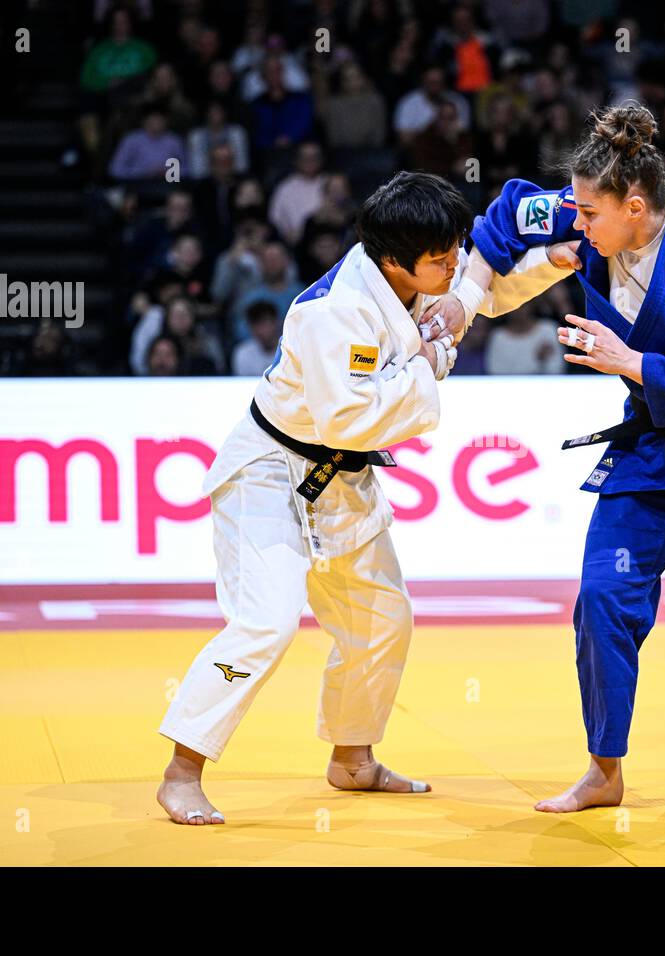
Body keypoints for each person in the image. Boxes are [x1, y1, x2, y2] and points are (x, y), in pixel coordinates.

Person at [423, 103, 665, 811]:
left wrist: (629, 359)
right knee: (602, 595)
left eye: (590, 216)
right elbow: (508, 214)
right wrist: (465, 297)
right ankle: (605, 768)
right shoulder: (589, 208)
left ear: (636, 208)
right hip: (654, 443)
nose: (578, 222)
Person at [156, 172, 536, 824]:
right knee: (265, 623)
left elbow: (473, 291)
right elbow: (348, 421)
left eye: (455, 251)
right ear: (396, 260)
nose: (453, 265)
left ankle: (351, 758)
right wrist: (425, 362)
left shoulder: (411, 275)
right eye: (440, 258)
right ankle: (182, 771)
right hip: (270, 476)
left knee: (383, 617)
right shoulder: (336, 314)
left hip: (340, 481)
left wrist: (552, 262)